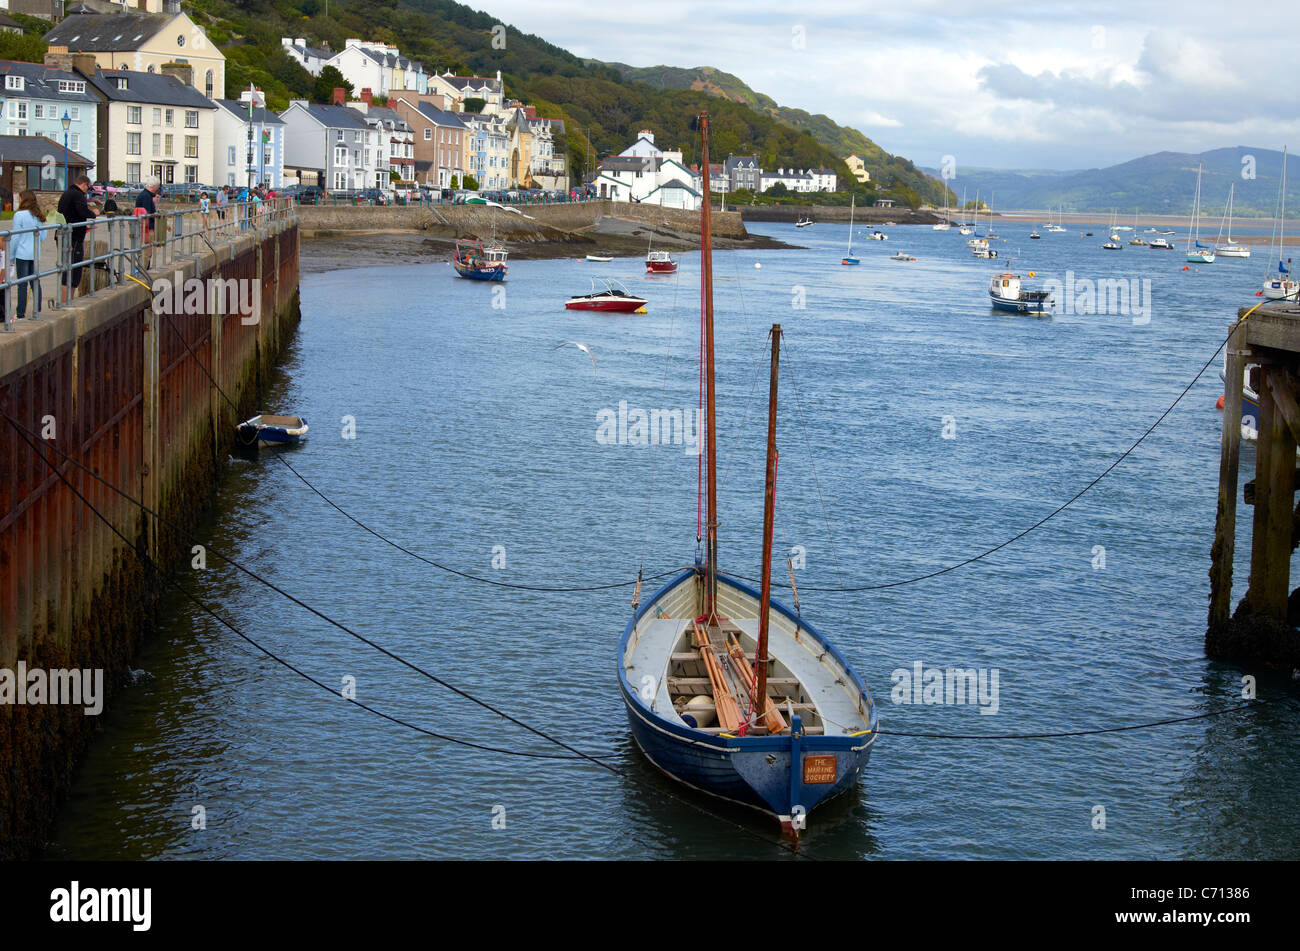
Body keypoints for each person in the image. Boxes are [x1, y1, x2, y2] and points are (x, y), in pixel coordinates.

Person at [56, 173, 99, 302]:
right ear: (84, 185)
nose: (87, 191)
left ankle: (67, 300)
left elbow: (72, 213)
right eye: (88, 188)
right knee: (73, 270)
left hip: (63, 235)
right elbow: (82, 211)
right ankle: (66, 301)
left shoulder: (67, 193)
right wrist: (94, 213)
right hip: (73, 237)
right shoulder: (78, 195)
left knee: (67, 267)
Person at [11, 190, 45, 320]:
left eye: (19, 198)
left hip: (22, 253)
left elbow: (15, 238)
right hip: (35, 254)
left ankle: (20, 313)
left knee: (22, 284)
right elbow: (42, 236)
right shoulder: (38, 215)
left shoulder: (19, 215)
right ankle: (37, 310)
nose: (18, 200)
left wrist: (11, 256)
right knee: (35, 282)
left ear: (23, 199)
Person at [134, 176, 161, 268]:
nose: (158, 188)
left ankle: (143, 268)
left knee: (146, 250)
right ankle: (143, 269)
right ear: (154, 186)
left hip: (144, 227)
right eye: (157, 186)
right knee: (146, 251)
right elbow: (146, 213)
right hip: (146, 228)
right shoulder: (146, 196)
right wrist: (155, 215)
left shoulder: (145, 195)